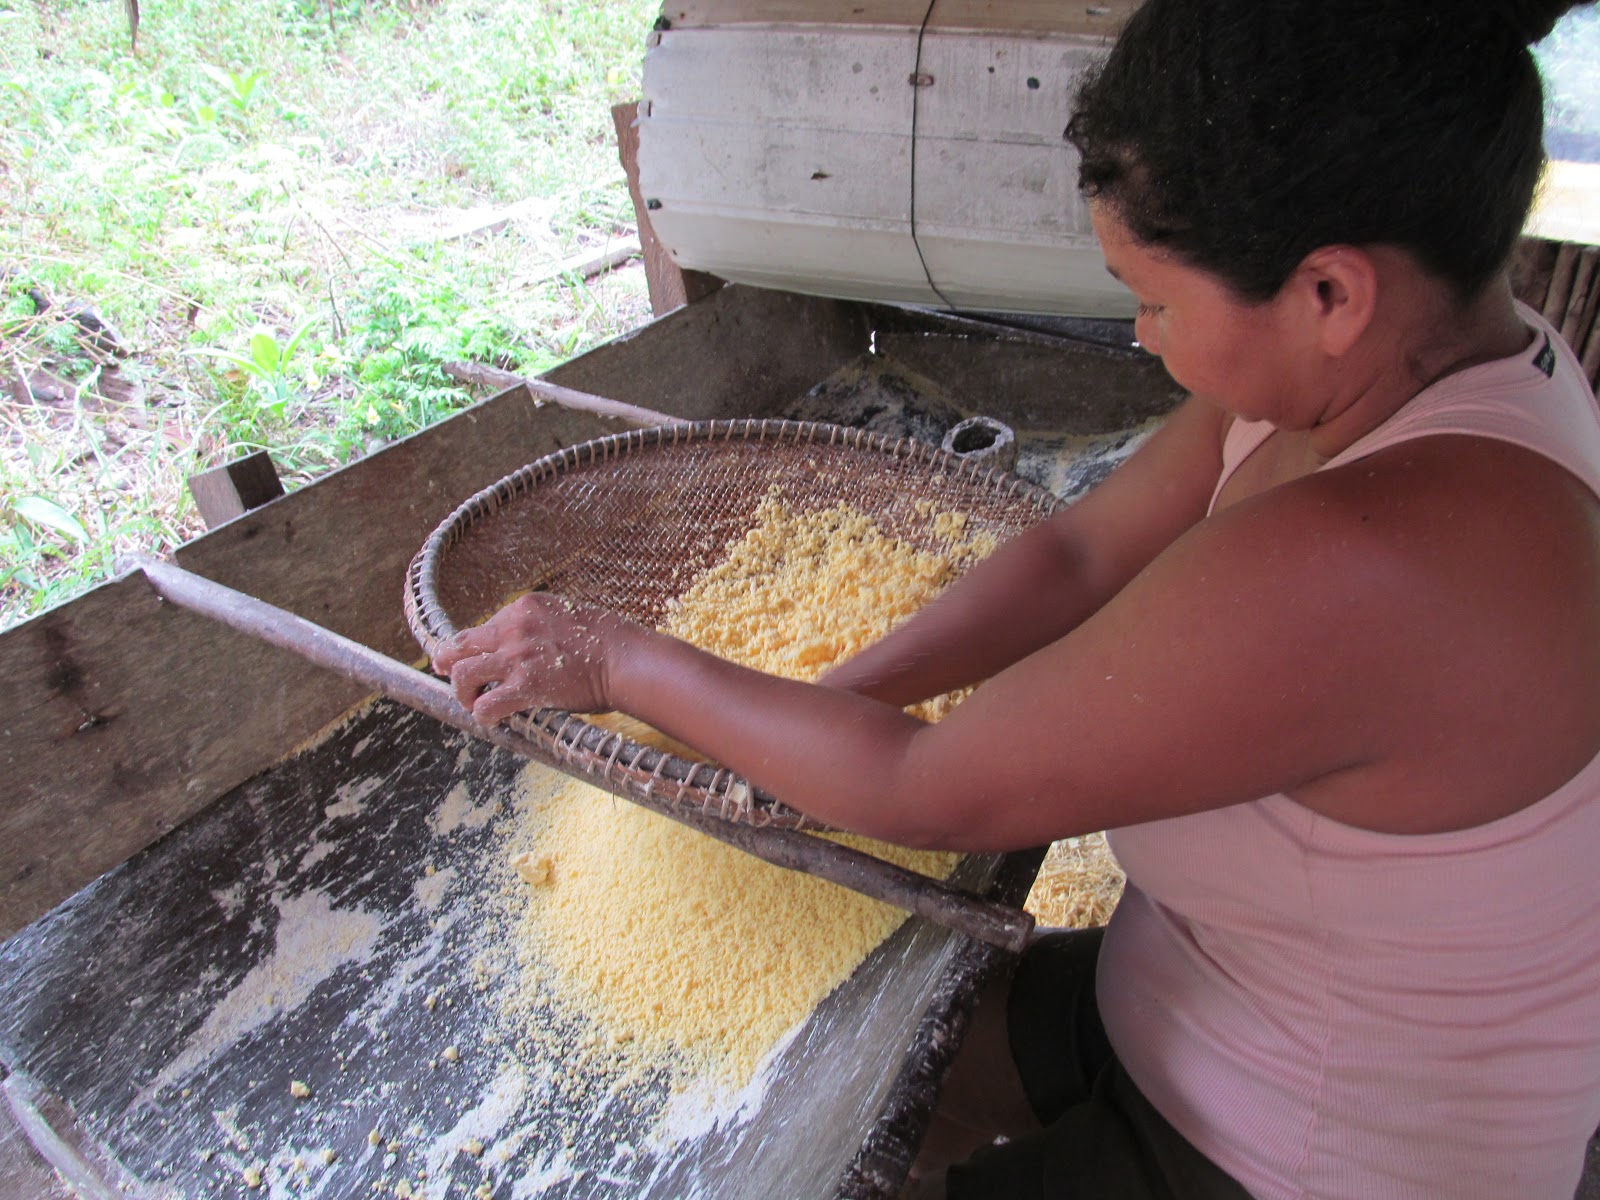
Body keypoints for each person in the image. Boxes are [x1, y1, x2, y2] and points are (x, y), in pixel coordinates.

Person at [434, 0, 1600, 1195]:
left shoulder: (1375, 564)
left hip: (1315, 1151)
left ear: (1329, 294)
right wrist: (828, 698)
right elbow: (1079, 558)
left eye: (1154, 301)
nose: (1144, 340)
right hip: (1213, 998)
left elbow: (919, 789)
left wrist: (628, 665)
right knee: (866, 1058)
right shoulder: (1414, 372)